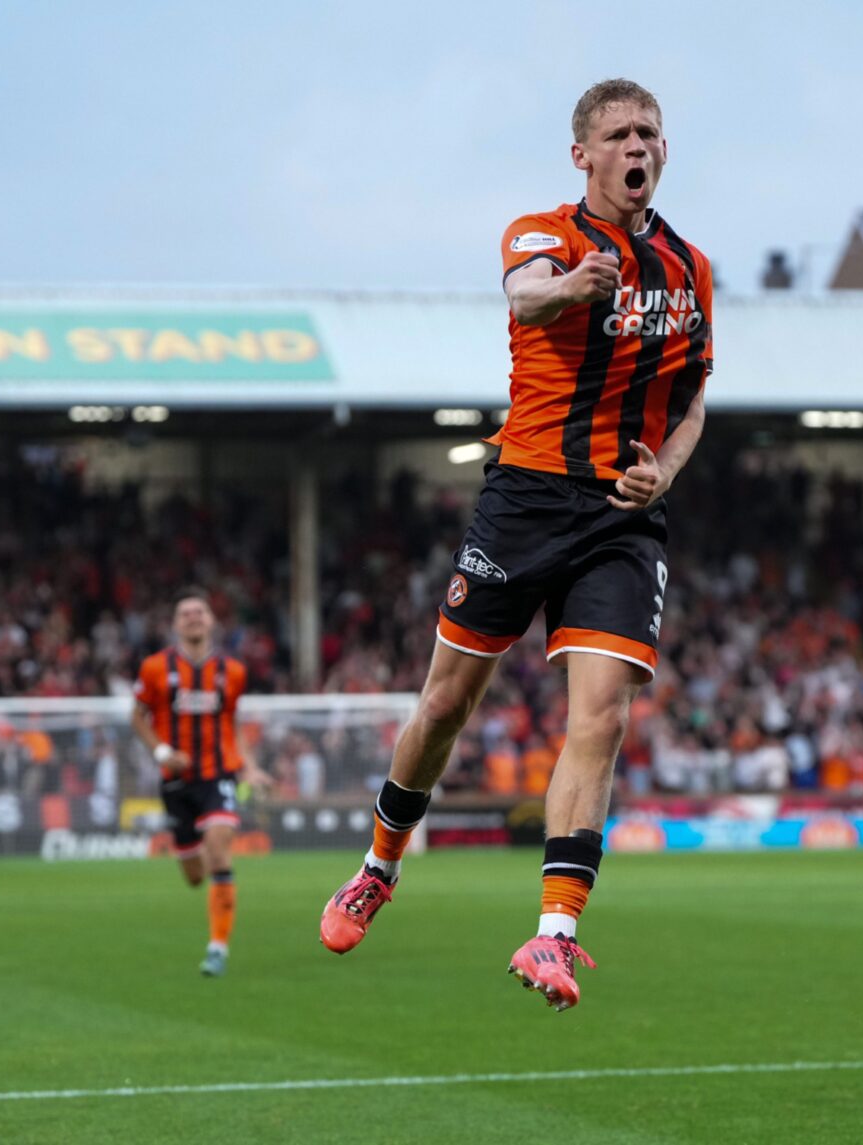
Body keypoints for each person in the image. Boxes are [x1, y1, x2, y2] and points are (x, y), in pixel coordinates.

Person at [319, 77, 713, 1012]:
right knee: (448, 702)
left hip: (622, 516)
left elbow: (695, 394)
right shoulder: (544, 233)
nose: (637, 146)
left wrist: (666, 465)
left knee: (602, 717)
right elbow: (526, 296)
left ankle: (554, 937)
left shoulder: (691, 267)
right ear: (582, 154)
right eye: (618, 133)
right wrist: (572, 286)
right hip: (526, 498)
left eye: (649, 133)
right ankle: (378, 867)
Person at [132, 587, 269, 977]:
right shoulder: (155, 668)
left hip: (217, 776)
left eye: (199, 612)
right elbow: (137, 717)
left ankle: (217, 948)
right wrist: (161, 753)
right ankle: (213, 886)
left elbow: (233, 724)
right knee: (195, 875)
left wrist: (249, 765)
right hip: (175, 782)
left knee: (221, 850)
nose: (193, 617)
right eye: (185, 613)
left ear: (211, 621)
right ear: (175, 624)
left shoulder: (233, 672)